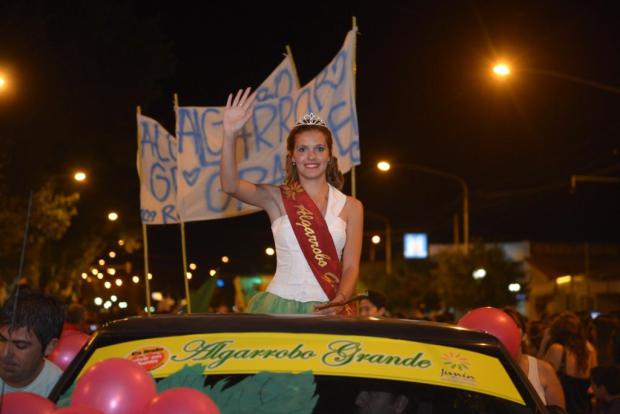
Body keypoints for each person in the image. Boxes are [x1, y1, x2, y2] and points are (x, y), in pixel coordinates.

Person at [221, 88, 364, 315]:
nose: (311, 156)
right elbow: (230, 185)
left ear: (329, 155)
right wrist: (229, 134)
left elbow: (351, 266)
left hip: (329, 306)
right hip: (280, 306)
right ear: (293, 157)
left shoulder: (352, 207)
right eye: (302, 149)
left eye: (319, 148)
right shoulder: (276, 198)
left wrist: (340, 299)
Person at [0, 287, 65, 397]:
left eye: (20, 345)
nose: (5, 353)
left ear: (50, 346)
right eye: (1, 340)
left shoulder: (61, 392)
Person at [503, 307, 566, 409]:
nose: (507, 335)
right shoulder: (486, 370)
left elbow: (559, 410)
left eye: (512, 329)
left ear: (523, 334)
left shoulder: (543, 370)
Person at [540, 311, 597, 414]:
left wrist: (544, 342)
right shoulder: (590, 351)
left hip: (562, 409)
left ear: (557, 331)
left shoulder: (557, 349)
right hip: (585, 409)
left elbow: (537, 374)